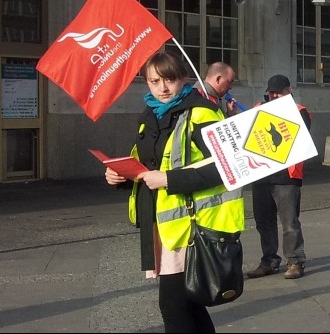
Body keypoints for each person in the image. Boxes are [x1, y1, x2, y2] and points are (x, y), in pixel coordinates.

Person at [104, 51, 243, 333]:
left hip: (192, 226)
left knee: (173, 307)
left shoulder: (201, 112)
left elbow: (228, 167)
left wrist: (168, 179)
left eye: (169, 80)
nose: (163, 88)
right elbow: (146, 165)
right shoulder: (150, 115)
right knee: (190, 305)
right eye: (154, 81)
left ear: (183, 78)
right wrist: (121, 177)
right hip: (164, 224)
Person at [245, 74, 313, 280]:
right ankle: (269, 261)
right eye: (271, 93)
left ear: (288, 91)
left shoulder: (300, 111)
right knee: (263, 222)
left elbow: (298, 137)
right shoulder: (259, 108)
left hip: (287, 177)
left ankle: (295, 261)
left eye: (278, 92)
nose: (274, 96)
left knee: (290, 223)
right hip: (261, 176)